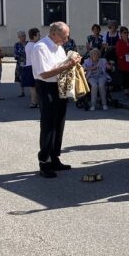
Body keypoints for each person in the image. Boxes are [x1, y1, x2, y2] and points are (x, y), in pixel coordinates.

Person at [29, 21, 81, 178]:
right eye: (64, 37)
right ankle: (44, 161)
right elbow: (44, 74)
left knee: (59, 123)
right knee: (48, 125)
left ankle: (55, 158)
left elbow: (61, 65)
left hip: (59, 86)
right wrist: (68, 64)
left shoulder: (58, 46)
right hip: (46, 87)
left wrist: (72, 61)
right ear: (53, 34)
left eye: (67, 37)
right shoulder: (40, 47)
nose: (66, 40)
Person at [22, 27, 40, 108]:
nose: (40, 37)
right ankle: (36, 102)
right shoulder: (35, 46)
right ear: (34, 36)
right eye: (38, 35)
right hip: (34, 67)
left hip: (29, 66)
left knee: (33, 87)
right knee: (36, 86)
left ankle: (34, 102)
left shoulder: (28, 45)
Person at [13, 30, 27, 97]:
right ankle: (22, 92)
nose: (23, 37)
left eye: (24, 35)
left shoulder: (28, 43)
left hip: (29, 63)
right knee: (20, 77)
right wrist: (21, 57)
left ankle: (32, 91)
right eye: (22, 36)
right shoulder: (16, 45)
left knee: (30, 77)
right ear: (18, 37)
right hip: (20, 63)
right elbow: (15, 54)